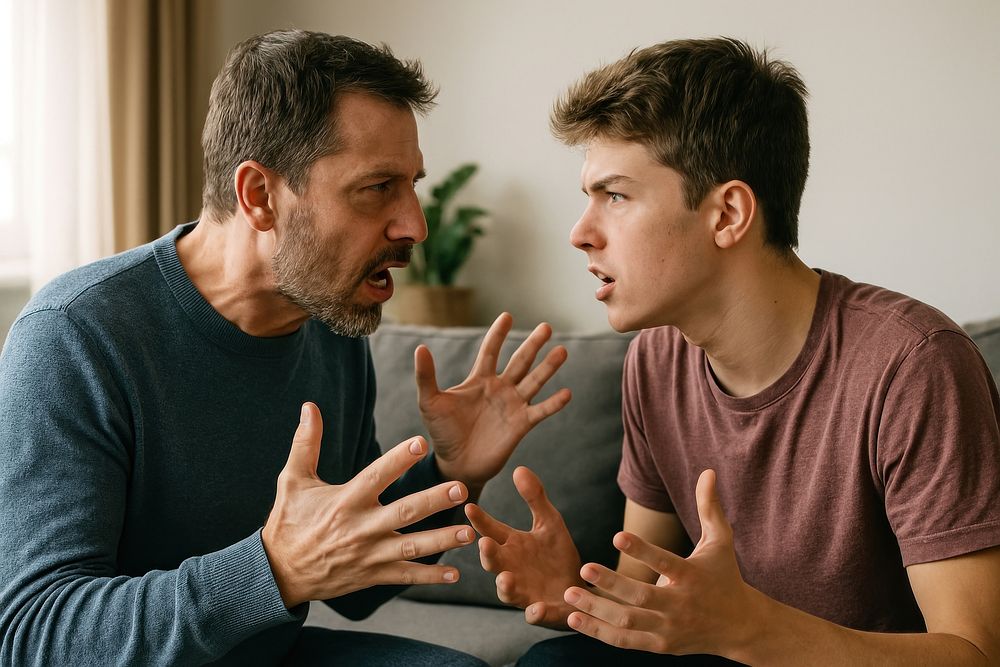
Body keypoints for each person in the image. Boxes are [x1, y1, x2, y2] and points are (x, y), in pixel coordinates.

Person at [0, 30, 571, 666]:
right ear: (259, 196)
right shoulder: (76, 335)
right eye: (377, 187)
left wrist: (451, 469)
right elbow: (35, 635)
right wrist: (272, 571)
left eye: (412, 184)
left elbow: (355, 587)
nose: (415, 225)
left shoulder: (329, 324)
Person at [466, 37, 1000, 665]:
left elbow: (974, 653)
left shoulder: (914, 364)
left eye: (615, 195)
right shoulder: (656, 358)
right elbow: (646, 592)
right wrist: (581, 595)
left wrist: (753, 631)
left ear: (728, 214)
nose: (580, 233)